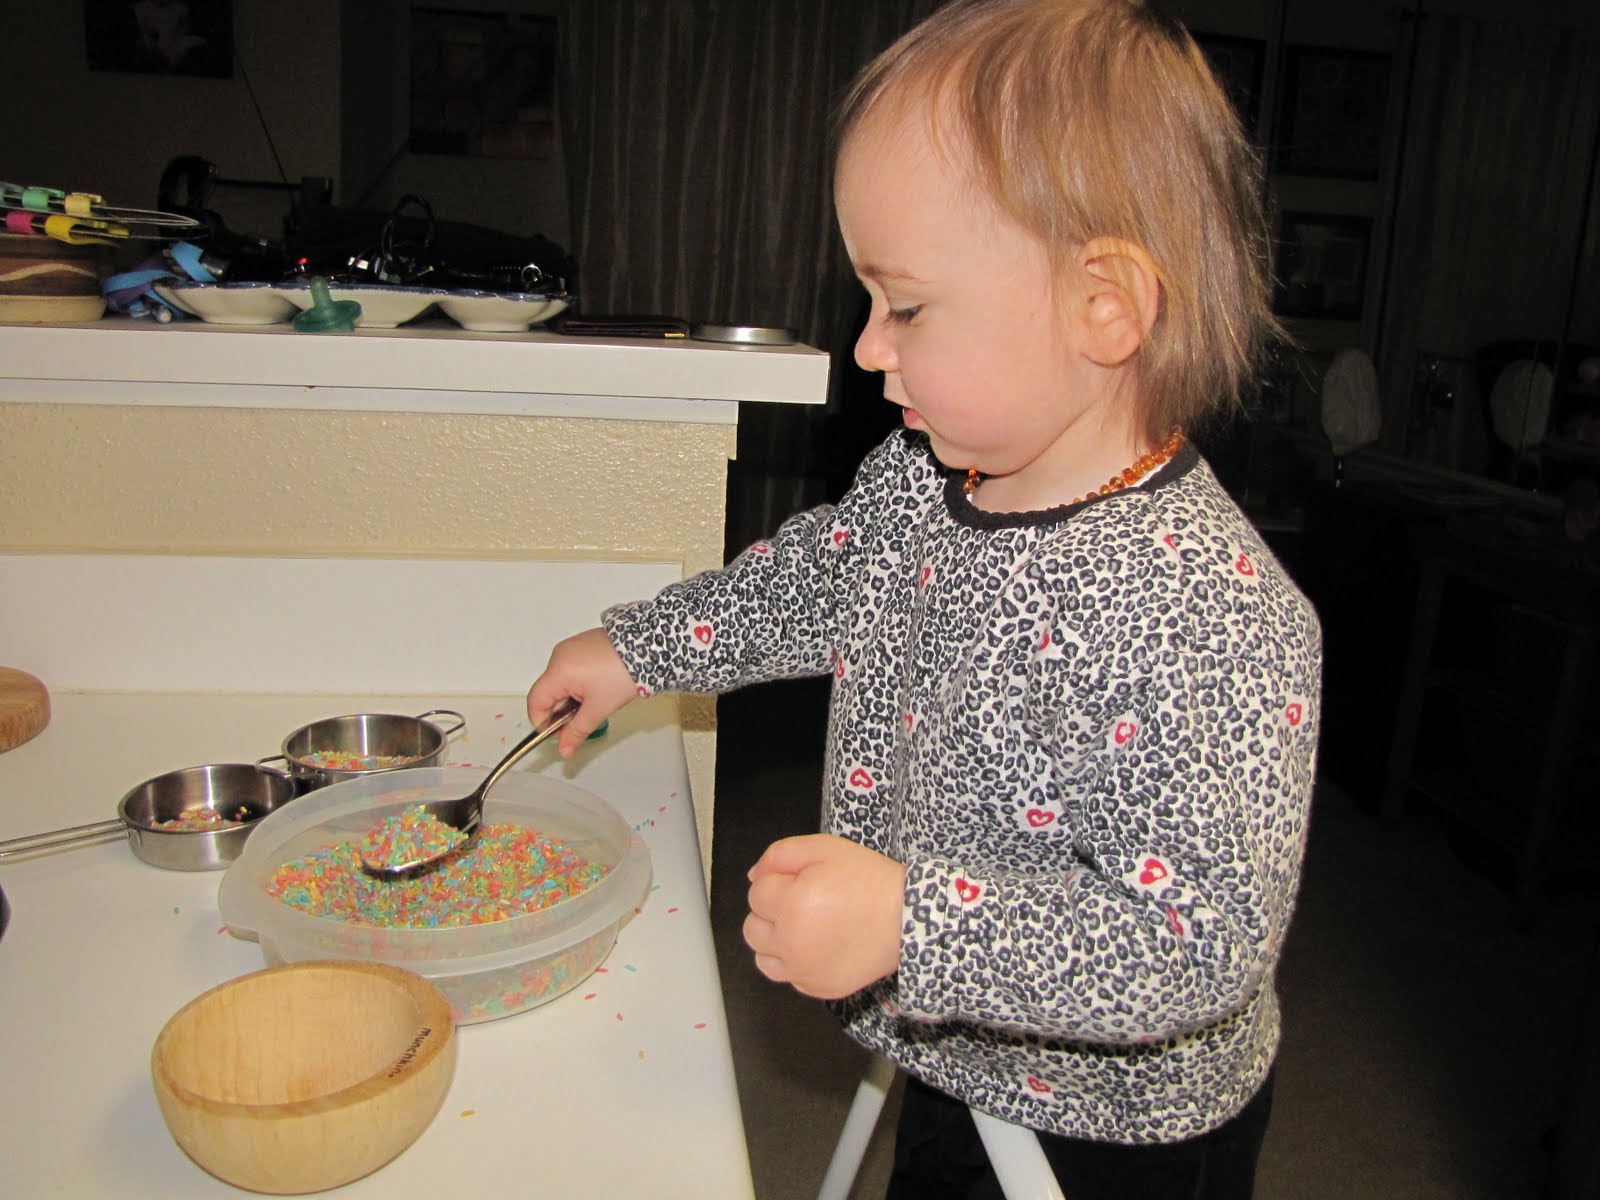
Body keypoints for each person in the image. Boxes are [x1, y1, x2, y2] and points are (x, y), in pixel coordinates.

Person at [527, 1, 1322, 1194]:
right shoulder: (919, 476)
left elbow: (1194, 944)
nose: (864, 347)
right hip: (951, 1039)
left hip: (1119, 1134)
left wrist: (914, 927)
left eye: (903, 305)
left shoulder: (1212, 613)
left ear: (1103, 306)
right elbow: (817, 581)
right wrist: (642, 649)